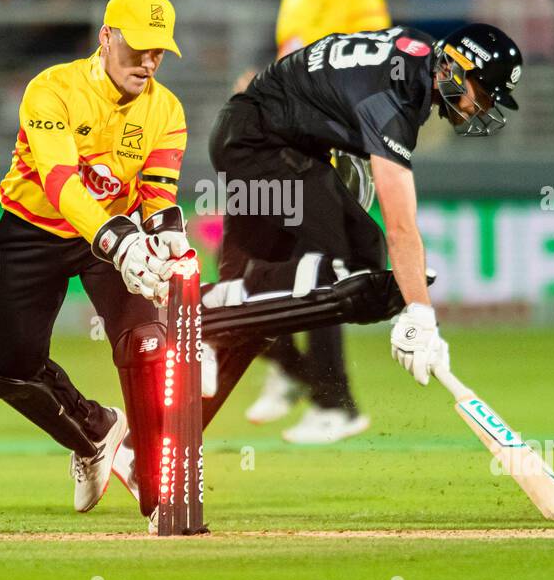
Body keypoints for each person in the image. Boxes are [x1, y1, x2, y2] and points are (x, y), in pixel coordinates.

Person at [202, 22, 523, 422]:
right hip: (260, 145)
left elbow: (335, 82)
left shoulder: (419, 52)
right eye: (485, 93)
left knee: (333, 266)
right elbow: (400, 225)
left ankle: (208, 341)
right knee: (352, 258)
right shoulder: (395, 99)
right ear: (455, 68)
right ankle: (207, 312)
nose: (485, 107)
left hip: (264, 137)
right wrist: (421, 314)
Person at [0, 0, 190, 529]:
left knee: (146, 343)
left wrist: (167, 242)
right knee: (11, 372)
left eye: (159, 50)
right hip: (38, 228)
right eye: (137, 47)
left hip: (115, 238)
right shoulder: (52, 89)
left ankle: (159, 489)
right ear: (106, 36)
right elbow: (62, 184)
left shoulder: (167, 110)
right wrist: (123, 242)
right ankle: (94, 432)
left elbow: (158, 195)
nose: (149, 61)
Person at [243, 0, 391, 444]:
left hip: (335, 153)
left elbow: (367, 72)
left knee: (314, 273)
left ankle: (333, 400)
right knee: (259, 267)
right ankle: (293, 370)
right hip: (294, 149)